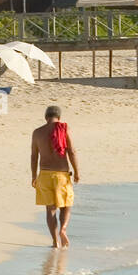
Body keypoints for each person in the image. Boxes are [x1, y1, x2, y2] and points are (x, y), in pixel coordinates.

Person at [31, 104, 79, 248]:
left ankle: (54, 241)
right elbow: (72, 152)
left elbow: (34, 157)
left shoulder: (37, 132)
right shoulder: (64, 129)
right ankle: (63, 230)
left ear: (46, 117)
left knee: (50, 209)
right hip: (61, 175)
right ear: (59, 117)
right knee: (66, 206)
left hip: (44, 174)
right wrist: (77, 172)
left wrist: (34, 176)